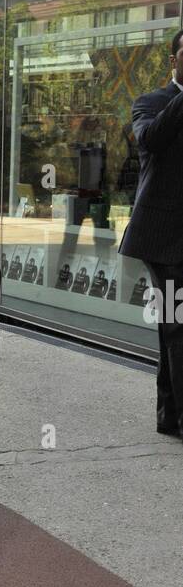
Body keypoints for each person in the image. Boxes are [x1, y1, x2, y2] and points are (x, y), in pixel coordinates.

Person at [119, 27, 183, 438]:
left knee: (172, 328)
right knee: (179, 323)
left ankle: (169, 416)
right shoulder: (151, 103)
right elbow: (152, 140)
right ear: (174, 59)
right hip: (164, 238)